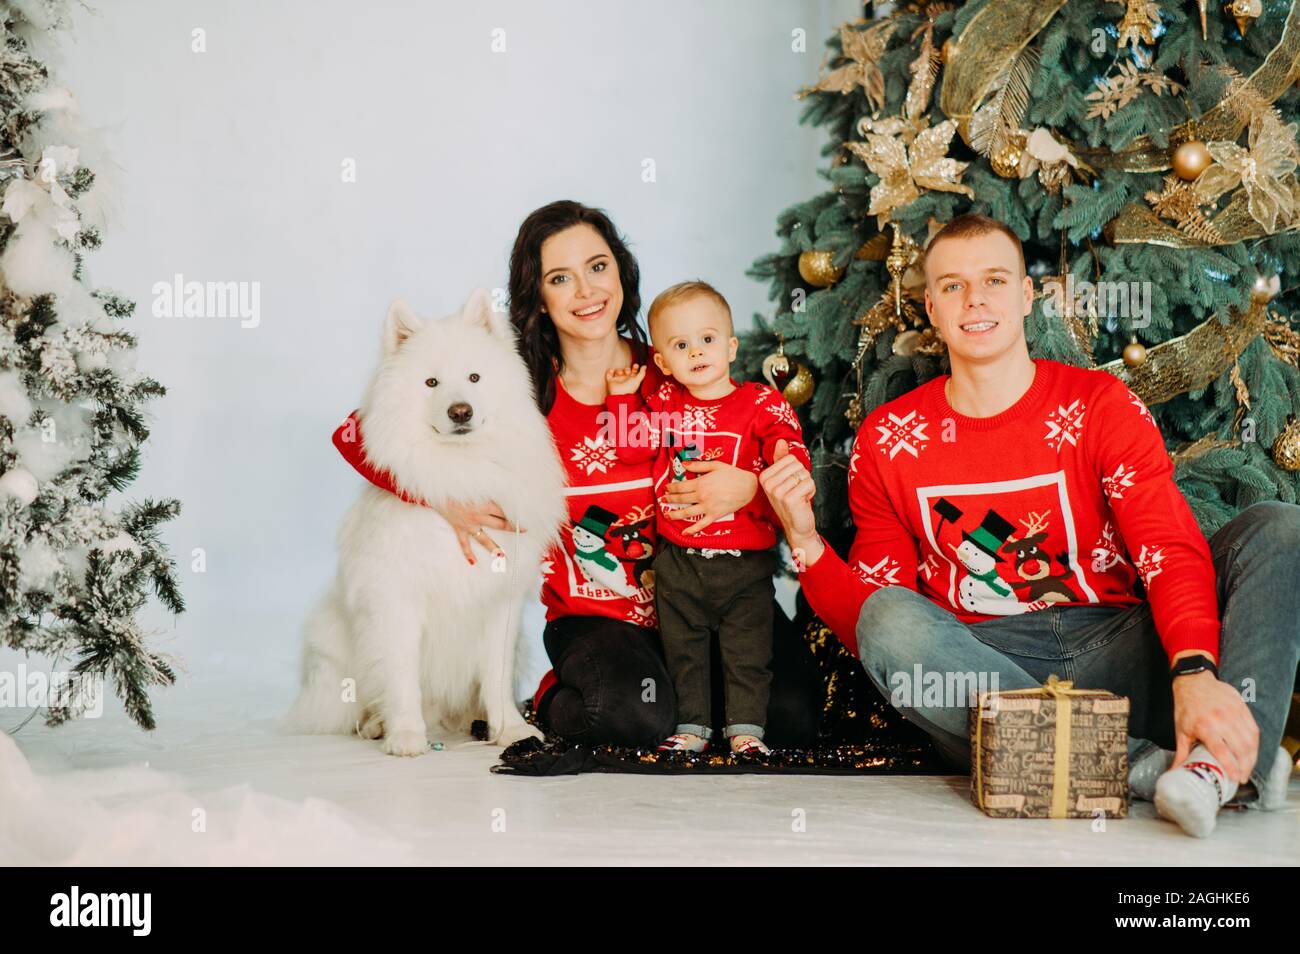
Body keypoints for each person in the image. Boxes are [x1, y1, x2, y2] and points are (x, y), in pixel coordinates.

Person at [760, 212, 1300, 837]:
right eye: (953, 285)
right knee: (889, 615)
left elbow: (1167, 546)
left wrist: (1194, 671)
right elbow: (875, 617)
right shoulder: (888, 440)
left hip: (1121, 650)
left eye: (994, 279)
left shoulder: (1099, 405)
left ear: (1025, 295)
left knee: (1279, 527)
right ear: (930, 307)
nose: (975, 299)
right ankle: (1147, 769)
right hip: (986, 681)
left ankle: (1222, 761)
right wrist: (803, 539)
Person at [331, 200, 822, 749]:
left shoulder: (675, 366)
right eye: (560, 278)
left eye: (597, 267)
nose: (586, 291)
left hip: (706, 597)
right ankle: (549, 696)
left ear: (621, 272)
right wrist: (441, 499)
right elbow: (362, 431)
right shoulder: (517, 390)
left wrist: (752, 486)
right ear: (538, 297)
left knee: (793, 717)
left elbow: (759, 435)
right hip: (597, 615)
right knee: (628, 718)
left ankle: (682, 691)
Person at [603, 281, 811, 755]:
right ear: (663, 363)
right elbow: (631, 446)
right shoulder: (665, 404)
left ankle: (745, 731)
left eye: (708, 339)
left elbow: (788, 446)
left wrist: (781, 456)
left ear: (732, 346)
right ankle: (692, 728)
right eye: (681, 345)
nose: (696, 352)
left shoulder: (759, 403)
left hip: (743, 565)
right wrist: (621, 399)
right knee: (685, 652)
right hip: (679, 561)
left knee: (747, 653)